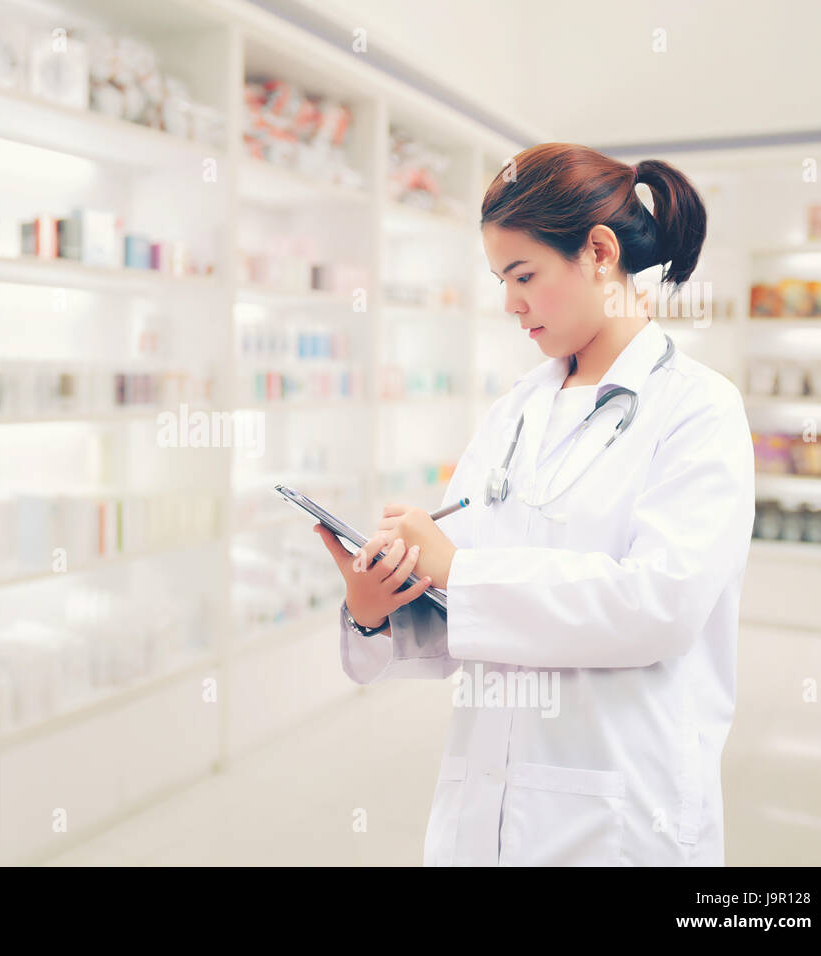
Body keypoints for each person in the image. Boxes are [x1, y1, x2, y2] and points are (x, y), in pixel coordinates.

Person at [315, 143, 754, 866]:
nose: (510, 303)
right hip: (482, 812)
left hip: (620, 816)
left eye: (524, 275)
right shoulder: (515, 412)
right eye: (501, 279)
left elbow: (659, 606)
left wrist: (456, 568)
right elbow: (473, 616)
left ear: (600, 253)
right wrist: (378, 606)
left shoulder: (697, 409)